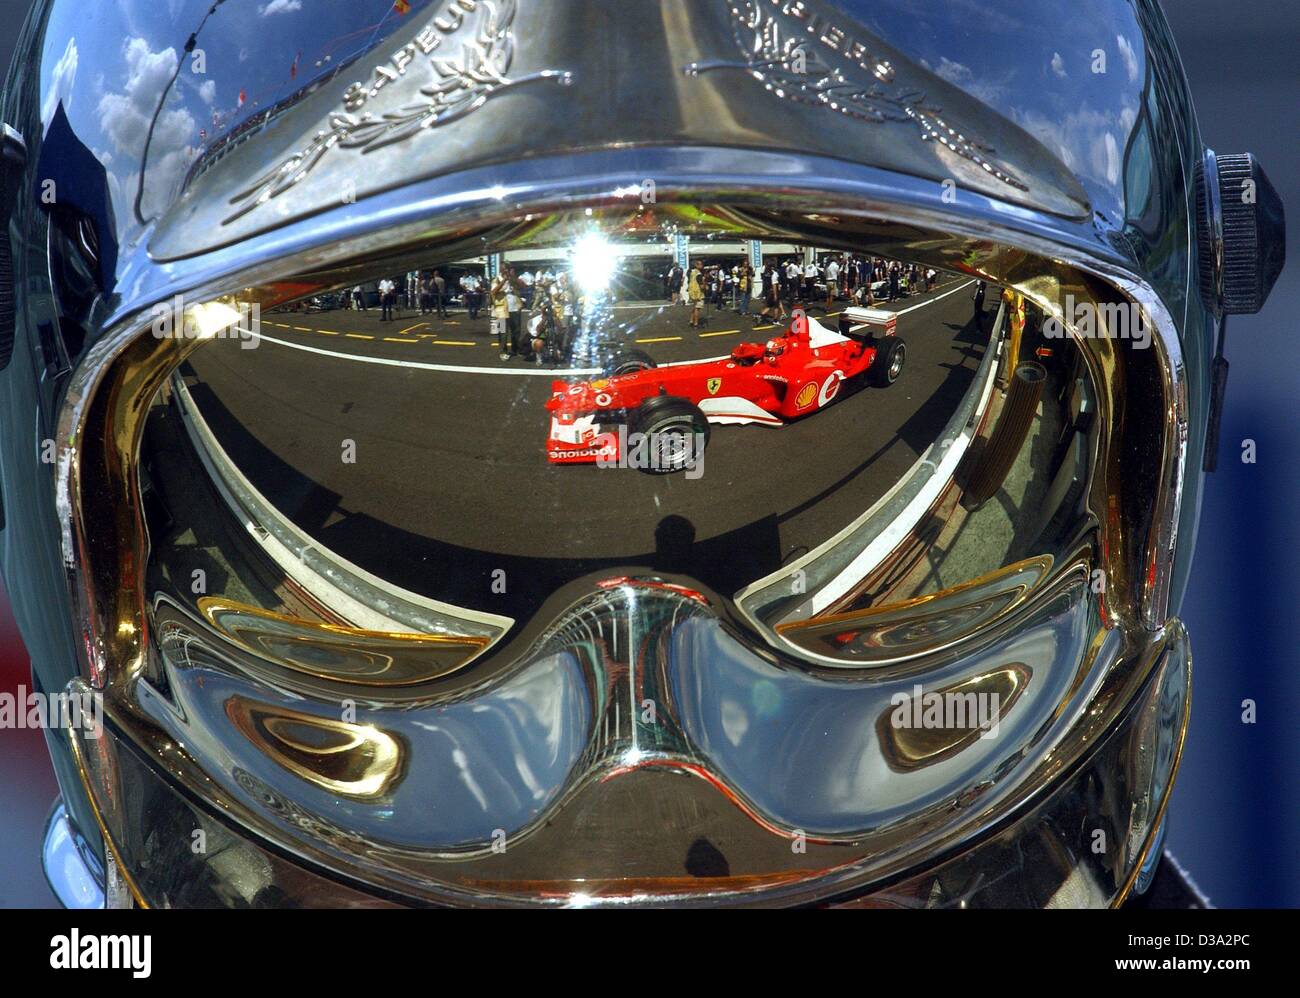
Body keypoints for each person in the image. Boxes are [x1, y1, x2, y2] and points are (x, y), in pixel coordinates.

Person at [687, 260, 705, 328]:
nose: (702, 266)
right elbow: (701, 286)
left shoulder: (692, 272)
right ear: (697, 265)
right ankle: (696, 323)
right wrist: (705, 284)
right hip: (698, 293)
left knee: (694, 307)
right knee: (697, 308)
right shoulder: (699, 274)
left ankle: (691, 321)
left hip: (692, 292)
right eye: (700, 264)